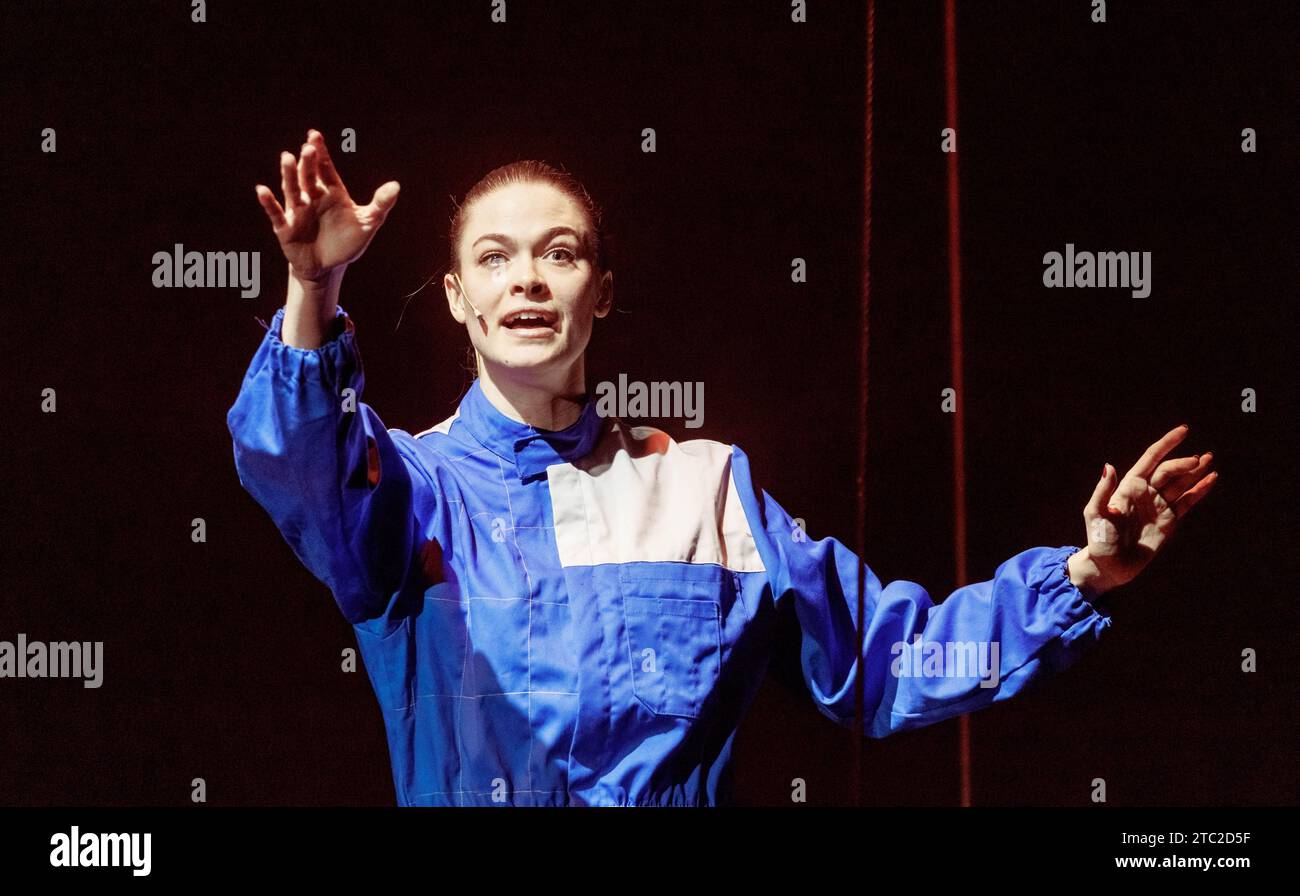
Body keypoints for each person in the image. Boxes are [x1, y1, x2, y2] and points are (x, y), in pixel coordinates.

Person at [226, 129, 1219, 807]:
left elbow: (883, 659)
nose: (524, 276)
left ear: (601, 289)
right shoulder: (411, 489)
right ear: (454, 296)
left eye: (558, 252)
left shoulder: (705, 488)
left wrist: (1081, 575)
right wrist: (315, 285)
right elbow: (297, 460)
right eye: (492, 257)